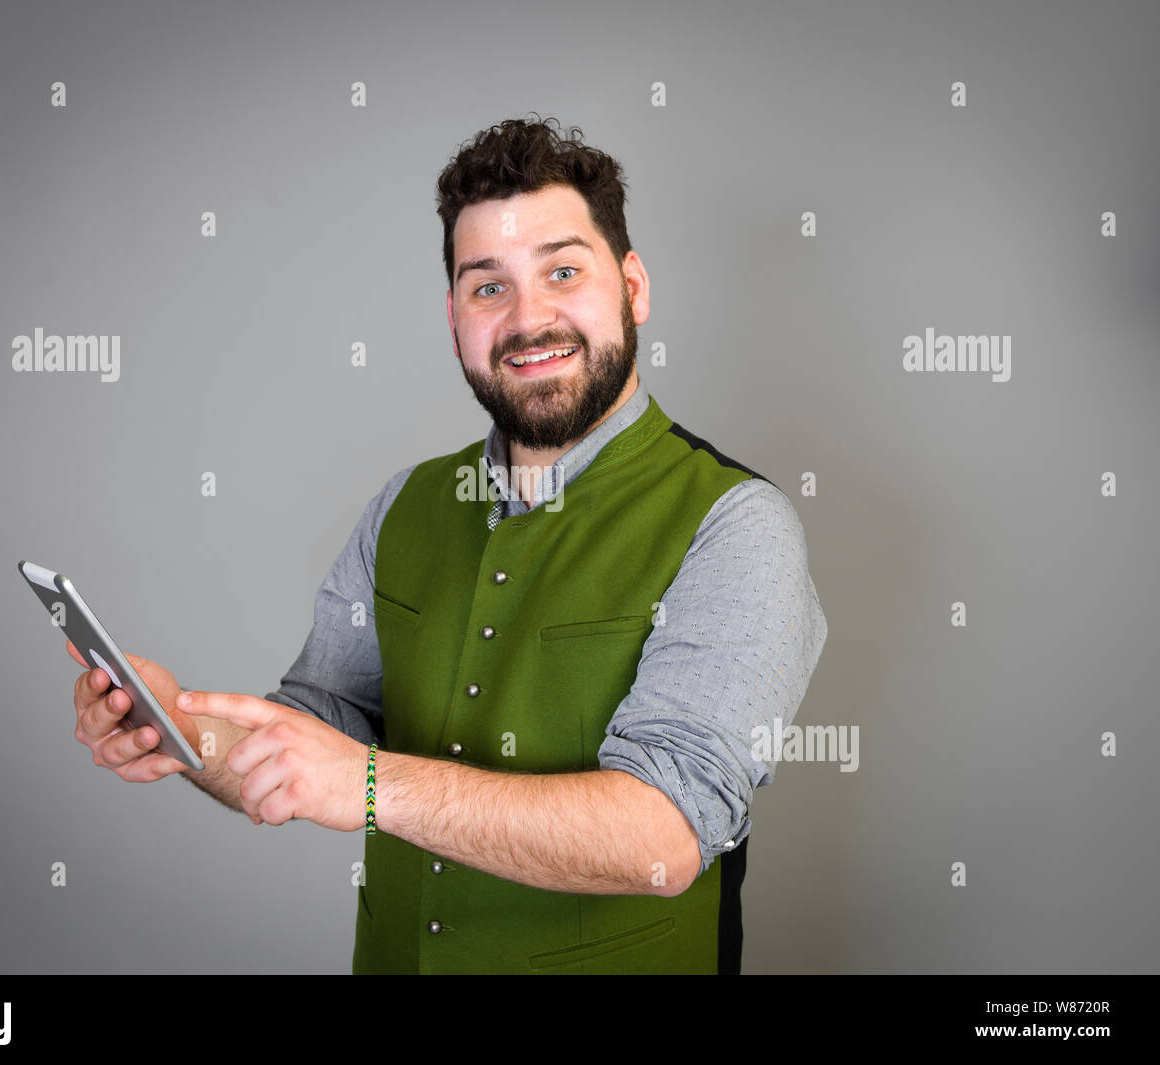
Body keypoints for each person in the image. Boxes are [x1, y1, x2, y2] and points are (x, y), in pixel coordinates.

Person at [68, 115, 828, 974]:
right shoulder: (405, 504)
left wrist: (366, 782)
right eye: (487, 286)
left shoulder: (736, 525)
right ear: (454, 315)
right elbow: (316, 735)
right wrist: (178, 727)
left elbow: (666, 830)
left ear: (633, 286)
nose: (529, 318)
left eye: (563, 271)